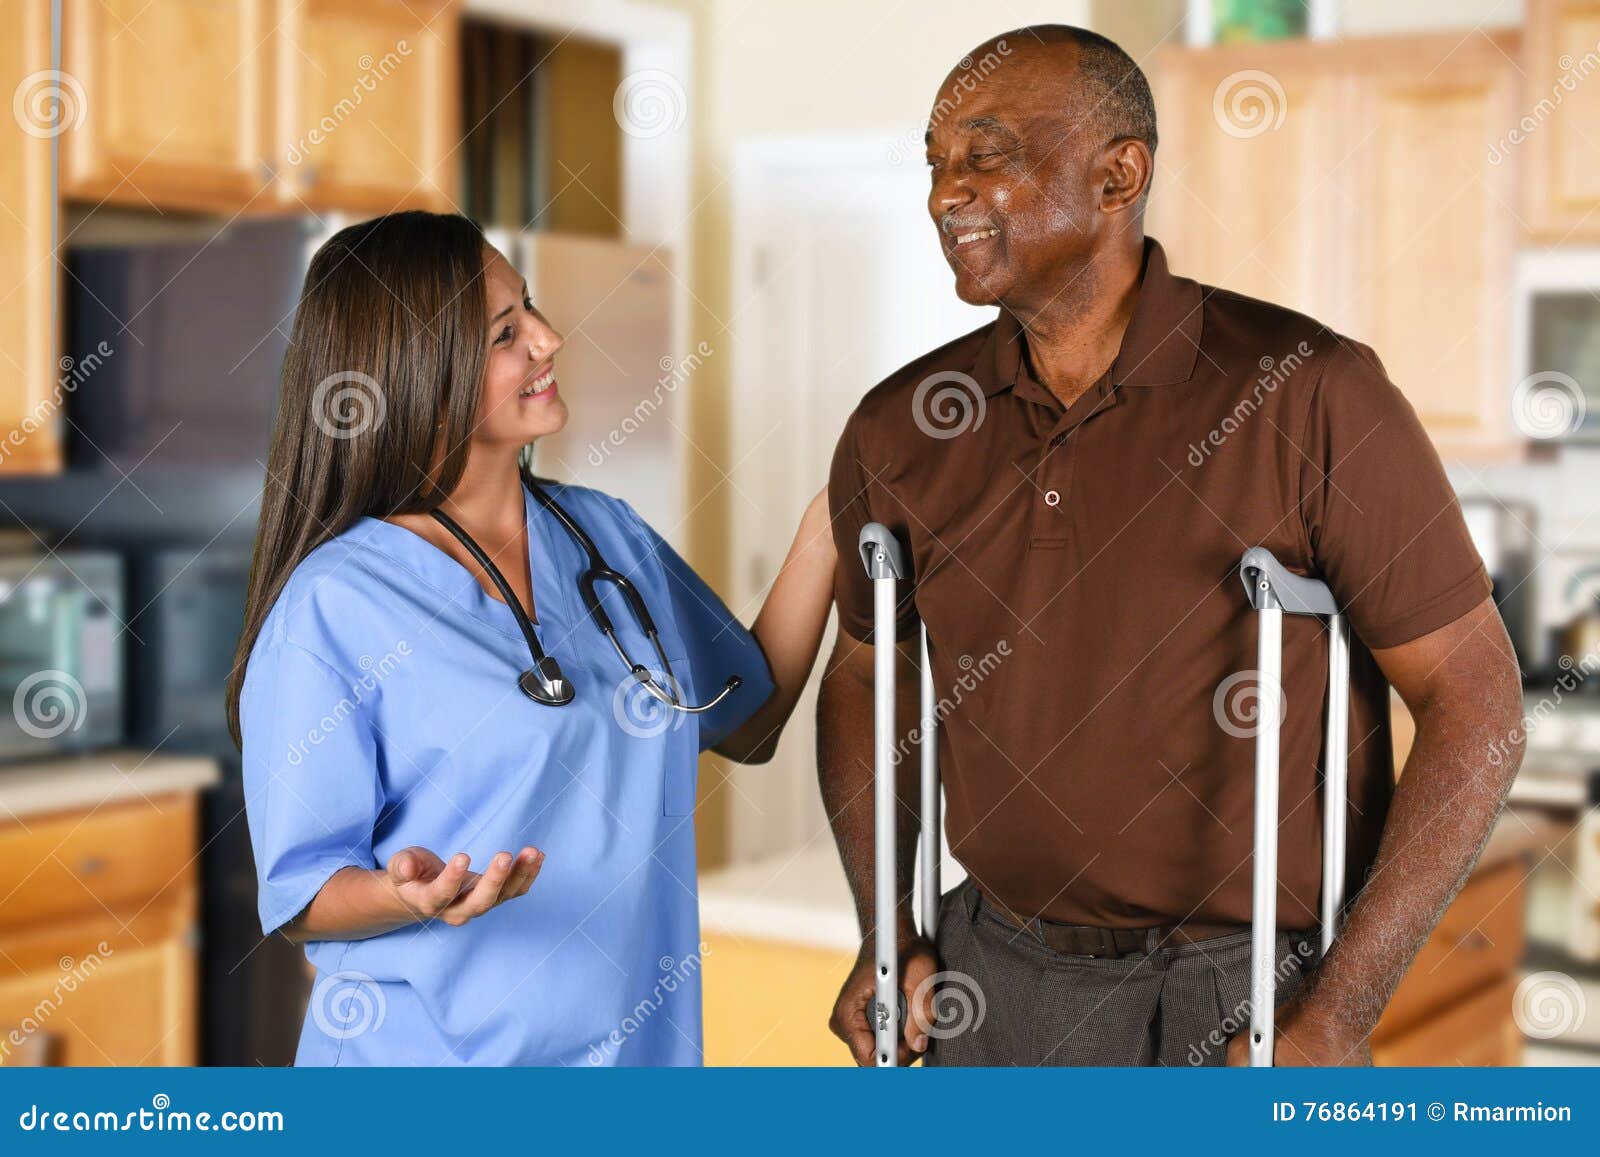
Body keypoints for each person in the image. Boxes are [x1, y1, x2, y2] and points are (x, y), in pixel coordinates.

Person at [819, 26, 1525, 1067]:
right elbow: (866, 674)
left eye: (986, 154)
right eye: (934, 163)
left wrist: (1340, 1007)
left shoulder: (1311, 391)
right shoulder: (902, 424)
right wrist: (887, 928)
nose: (944, 193)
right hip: (988, 977)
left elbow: (1478, 704)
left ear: (1118, 174)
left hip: (1241, 996)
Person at [227, 210, 836, 1066]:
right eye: (507, 332)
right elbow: (301, 892)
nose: (549, 341)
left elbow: (750, 717)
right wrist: (414, 897)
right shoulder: (336, 604)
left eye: (533, 311)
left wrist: (831, 519)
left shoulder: (607, 540)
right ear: (418, 370)